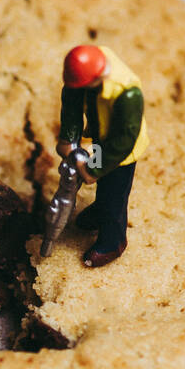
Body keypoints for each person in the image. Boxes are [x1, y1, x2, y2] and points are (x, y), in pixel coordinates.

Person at [56, 44, 149, 268]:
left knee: (115, 195)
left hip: (121, 152)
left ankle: (112, 242)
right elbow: (71, 103)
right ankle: (100, 210)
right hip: (99, 138)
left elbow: (124, 140)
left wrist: (94, 169)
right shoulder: (83, 73)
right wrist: (69, 138)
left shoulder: (127, 92)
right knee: (103, 187)